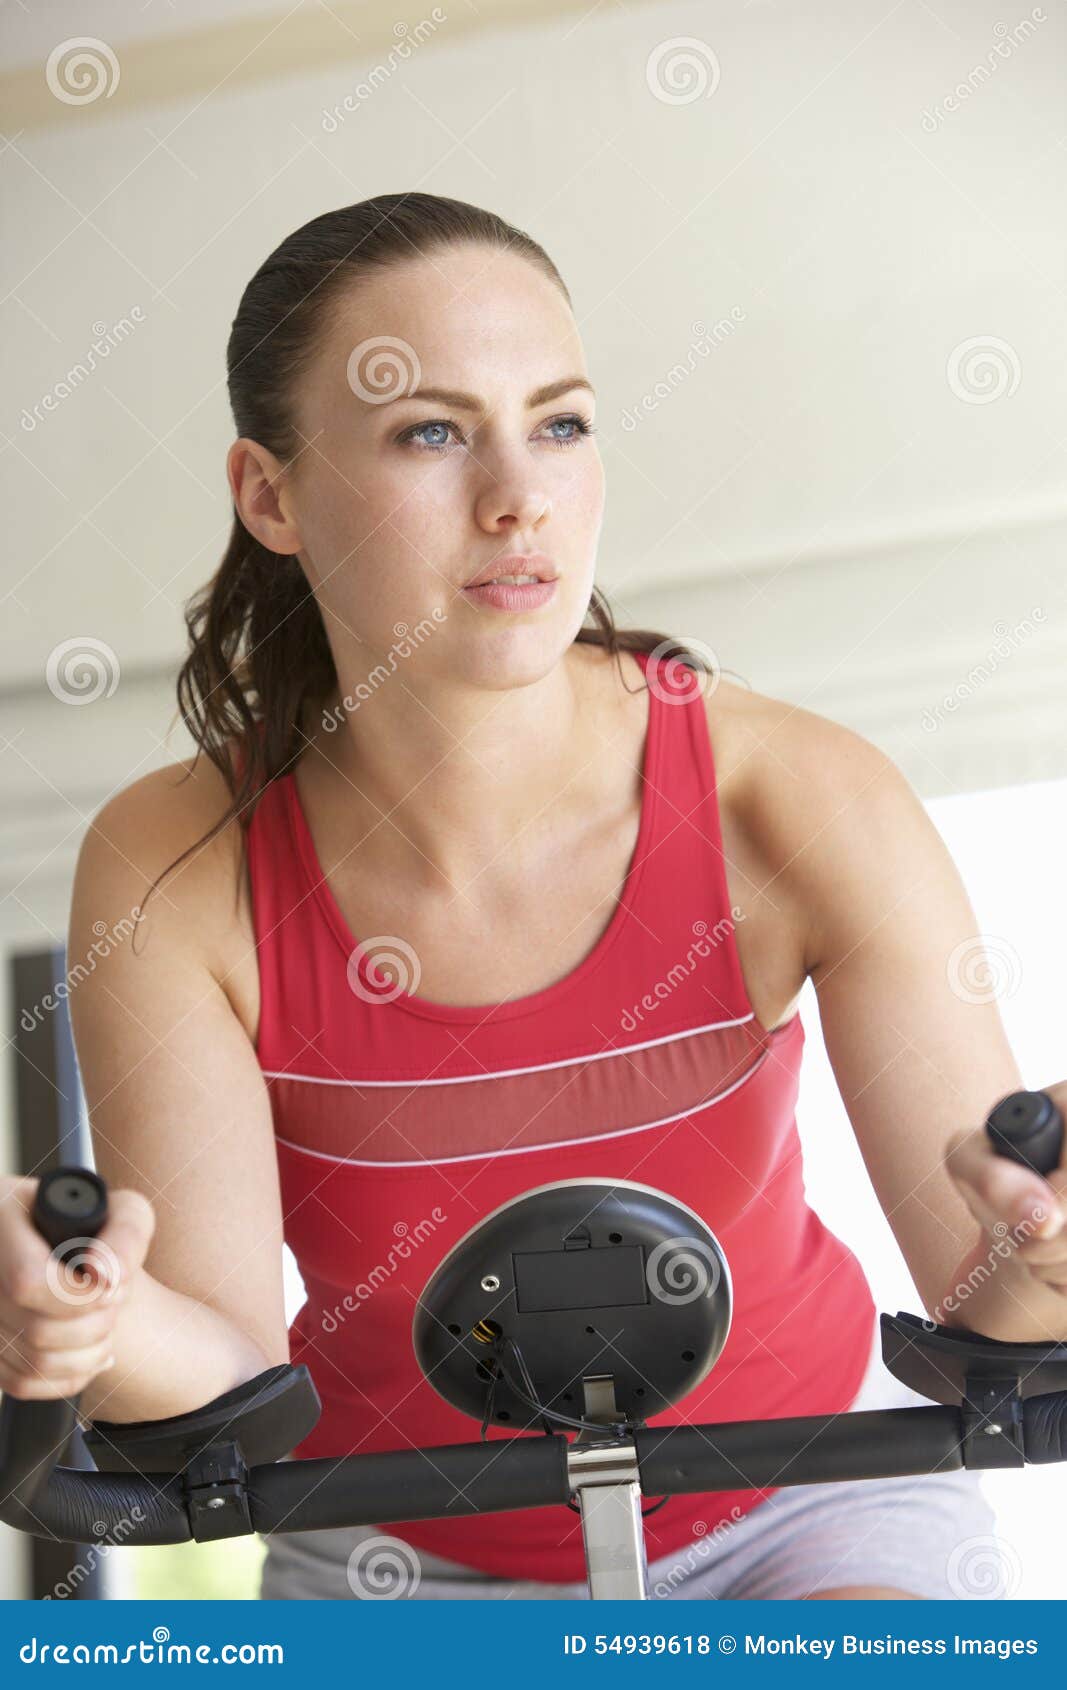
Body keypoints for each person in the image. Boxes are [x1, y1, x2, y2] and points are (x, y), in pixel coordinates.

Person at [2, 193, 1066, 1602]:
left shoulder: (799, 795)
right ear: (270, 494)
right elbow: (221, 1380)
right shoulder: (178, 862)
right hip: (392, 1548)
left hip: (805, 1517)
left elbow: (999, 1313)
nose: (520, 496)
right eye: (430, 431)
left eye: (560, 422)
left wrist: (1051, 1249)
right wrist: (82, 1318)